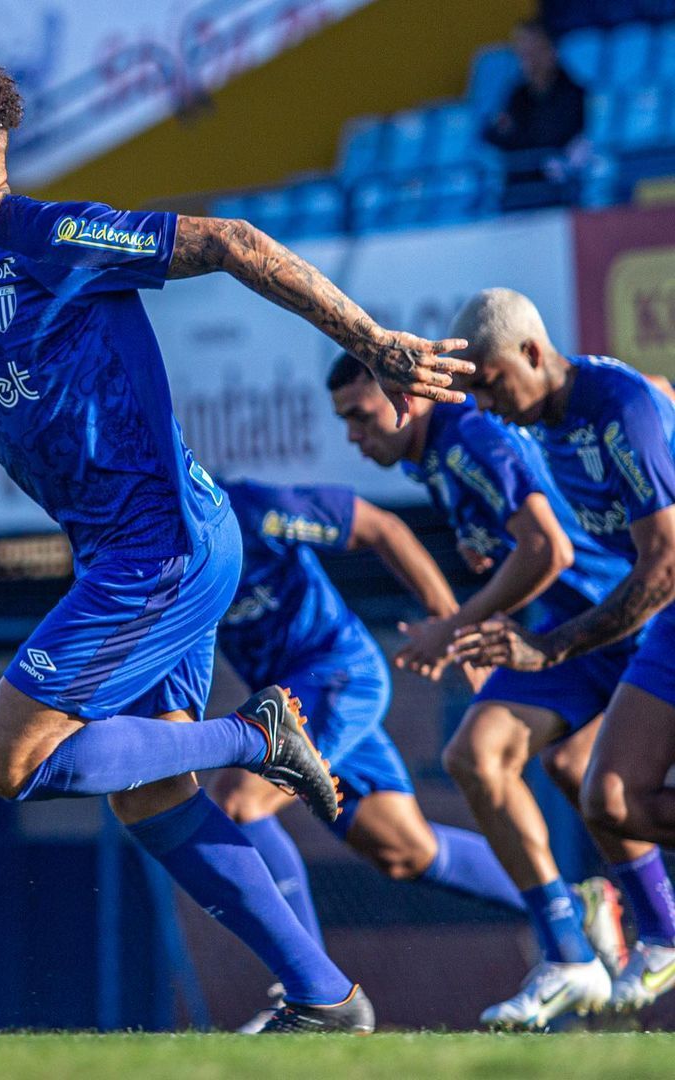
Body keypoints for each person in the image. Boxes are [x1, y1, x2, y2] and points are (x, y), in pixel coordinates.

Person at [0, 47, 473, 1034]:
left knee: (0, 760)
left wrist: (374, 343)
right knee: (150, 797)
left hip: (167, 547)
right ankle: (327, 1000)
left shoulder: (53, 235)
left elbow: (232, 240)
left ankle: (259, 735)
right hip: (129, 557)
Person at [327, 350, 674, 1028]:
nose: (353, 434)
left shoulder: (471, 438)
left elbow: (549, 548)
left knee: (547, 769)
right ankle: (582, 946)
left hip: (618, 623)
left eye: (362, 415)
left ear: (411, 400)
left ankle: (623, 930)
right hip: (569, 632)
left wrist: (455, 627)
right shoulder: (436, 455)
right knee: (507, 761)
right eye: (344, 421)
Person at [211, 478, 530, 1031]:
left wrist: (453, 626)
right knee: (405, 850)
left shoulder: (256, 508)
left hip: (338, 678)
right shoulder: (154, 543)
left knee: (241, 802)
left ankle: (313, 998)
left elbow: (383, 526)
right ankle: (571, 908)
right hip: (294, 696)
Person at [447, 288, 675, 1015]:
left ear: (534, 353)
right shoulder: (555, 417)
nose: (483, 403)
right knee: (606, 796)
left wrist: (549, 649)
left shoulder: (615, 404)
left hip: (653, 601)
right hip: (658, 619)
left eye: (488, 382)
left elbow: (664, 561)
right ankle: (662, 935)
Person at [482, 19, 586, 205]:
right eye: (522, 54)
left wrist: (516, 135)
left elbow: (551, 139)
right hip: (517, 191)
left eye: (533, 52)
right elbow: (491, 133)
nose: (527, 61)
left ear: (550, 51)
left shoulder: (573, 94)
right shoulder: (518, 94)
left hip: (555, 192)